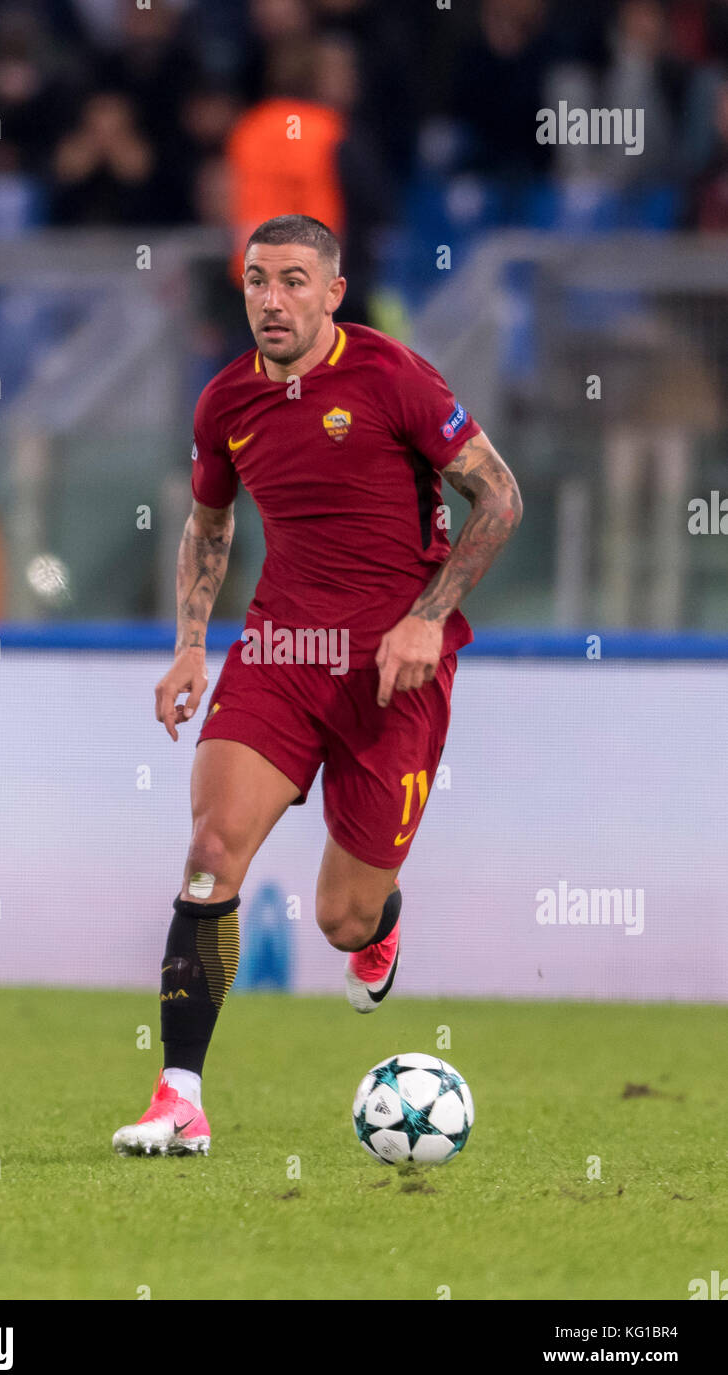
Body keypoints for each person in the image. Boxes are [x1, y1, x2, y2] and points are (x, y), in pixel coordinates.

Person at [112, 214, 522, 1157]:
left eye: (294, 280)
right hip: (281, 653)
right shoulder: (224, 404)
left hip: (394, 667)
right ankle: (179, 1098)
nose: (271, 299)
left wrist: (428, 616)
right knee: (212, 850)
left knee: (341, 917)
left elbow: (499, 496)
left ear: (334, 292)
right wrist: (189, 645)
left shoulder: (394, 378)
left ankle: (379, 927)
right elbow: (209, 524)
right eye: (257, 280)